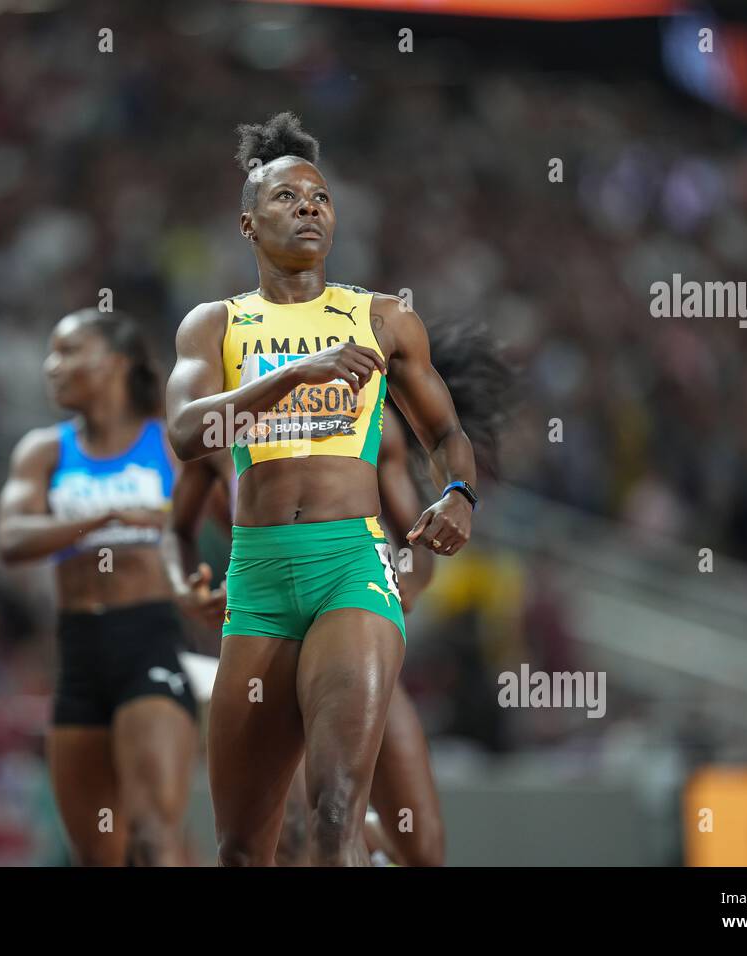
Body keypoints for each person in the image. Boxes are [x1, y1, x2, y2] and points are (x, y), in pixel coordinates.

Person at [165, 112, 482, 866]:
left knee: (336, 807)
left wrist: (462, 493)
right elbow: (187, 434)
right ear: (247, 224)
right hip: (259, 578)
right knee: (244, 847)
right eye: (287, 197)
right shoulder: (214, 326)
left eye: (321, 197)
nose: (309, 206)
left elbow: (445, 435)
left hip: (350, 564)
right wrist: (293, 375)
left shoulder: (383, 318)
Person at [173, 322, 513, 866]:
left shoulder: (371, 426)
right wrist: (186, 584)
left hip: (347, 619)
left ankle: (375, 843)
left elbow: (414, 545)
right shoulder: (228, 431)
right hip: (263, 634)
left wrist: (399, 586)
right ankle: (362, 842)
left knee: (420, 848)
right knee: (282, 840)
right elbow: (179, 529)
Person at [0, 308, 197, 866]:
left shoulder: (170, 444)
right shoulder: (44, 451)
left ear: (115, 363)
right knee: (98, 854)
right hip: (79, 655)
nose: (50, 366)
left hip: (148, 645)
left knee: (154, 836)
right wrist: (106, 516)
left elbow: (237, 520)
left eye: (67, 351)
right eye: (51, 353)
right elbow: (11, 538)